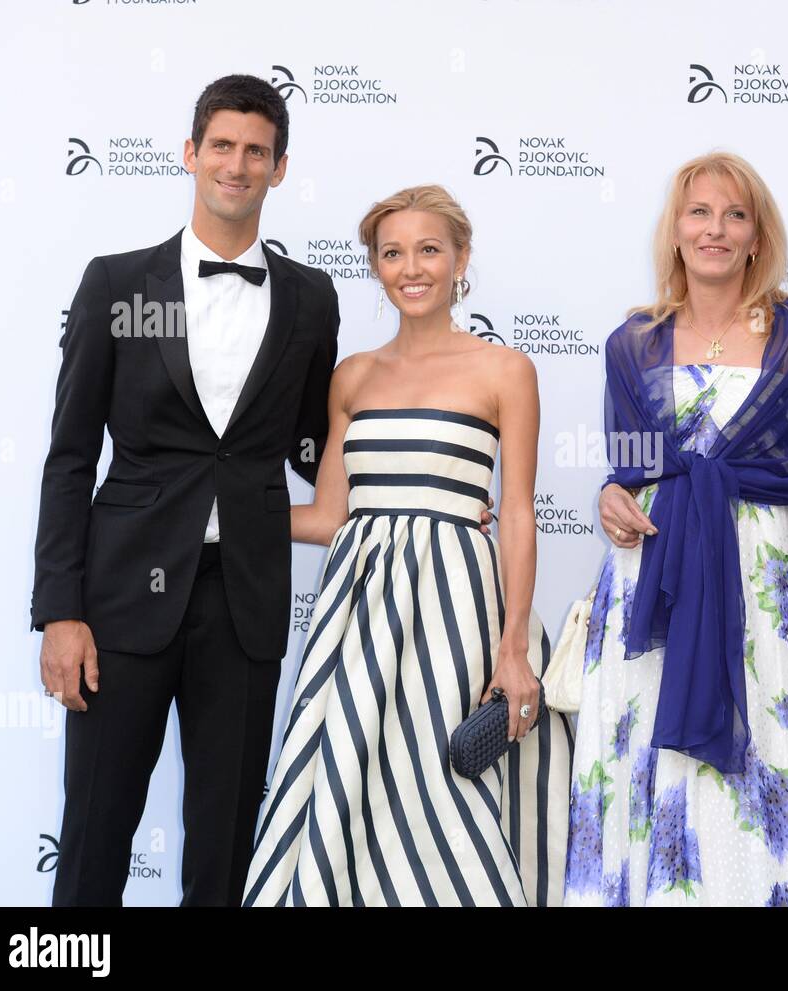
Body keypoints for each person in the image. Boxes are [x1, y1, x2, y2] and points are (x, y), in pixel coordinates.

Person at [31, 75, 342, 905]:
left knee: (226, 845)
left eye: (256, 152)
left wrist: (420, 486)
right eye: (222, 146)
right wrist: (60, 610)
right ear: (190, 153)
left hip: (243, 604)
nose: (237, 166)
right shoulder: (117, 284)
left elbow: (316, 446)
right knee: (93, 837)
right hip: (120, 599)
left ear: (280, 169)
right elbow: (69, 458)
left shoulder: (312, 298)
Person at [568, 152, 788, 907]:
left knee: (768, 761)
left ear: (758, 236)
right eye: (699, 212)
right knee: (647, 765)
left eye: (734, 214)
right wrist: (612, 495)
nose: (714, 228)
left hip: (761, 585)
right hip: (652, 583)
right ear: (675, 230)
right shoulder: (633, 341)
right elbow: (633, 470)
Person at [242, 185, 572, 907]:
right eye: (392, 253)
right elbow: (328, 516)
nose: (411, 268)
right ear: (376, 265)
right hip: (358, 612)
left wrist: (514, 645)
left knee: (443, 791)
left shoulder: (505, 369)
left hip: (457, 608)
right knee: (351, 788)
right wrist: (217, 511)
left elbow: (517, 512)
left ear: (461, 259)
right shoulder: (352, 376)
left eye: (429, 250)